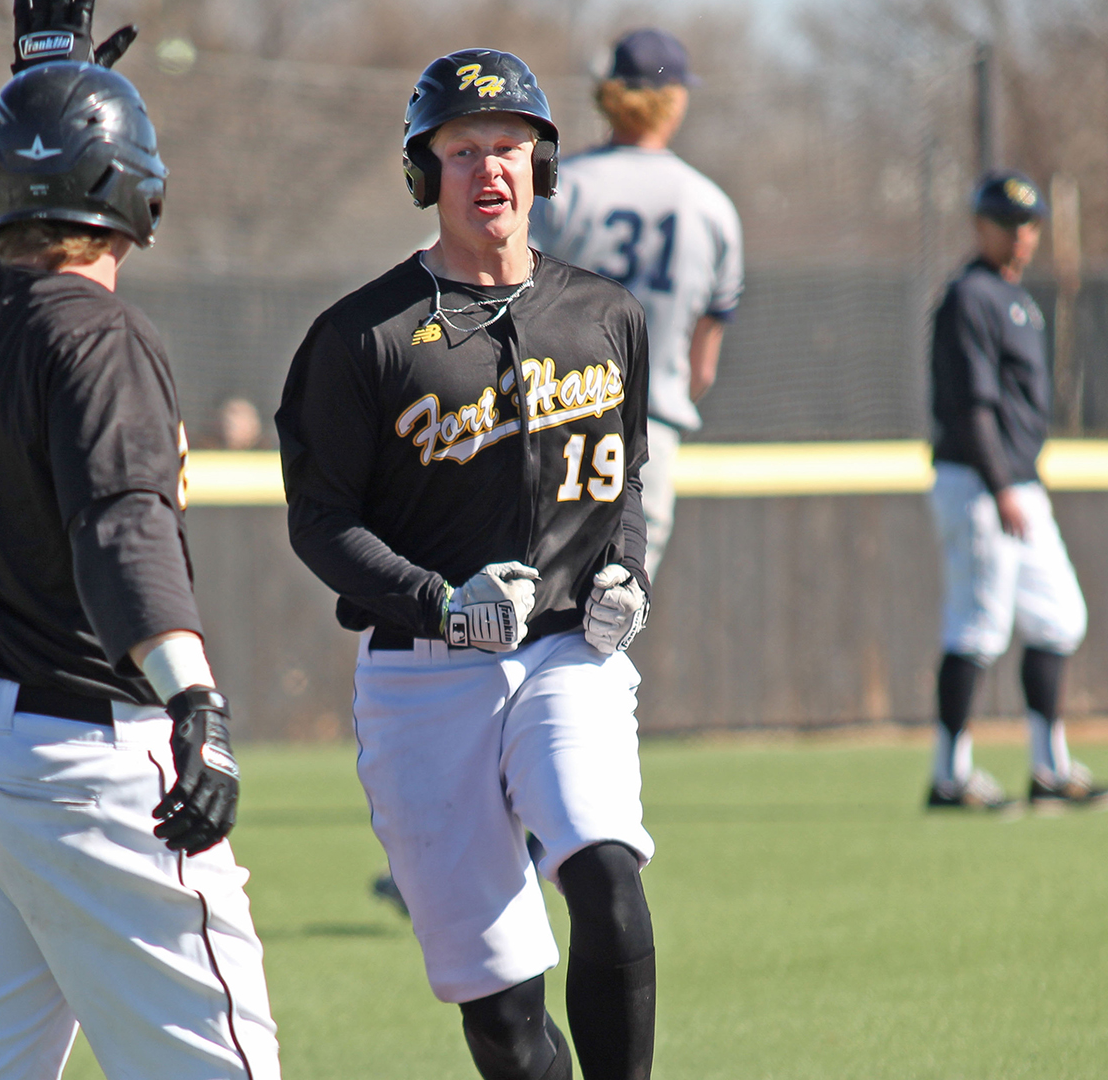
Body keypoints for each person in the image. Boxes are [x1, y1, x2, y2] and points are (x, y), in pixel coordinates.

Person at [0, 5, 279, 1077]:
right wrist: (195, 698)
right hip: (90, 767)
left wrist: (41, 73)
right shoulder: (95, 331)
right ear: (134, 191)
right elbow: (122, 531)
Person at [276, 48, 657, 1080]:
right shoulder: (361, 337)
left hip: (569, 658)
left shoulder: (608, 316)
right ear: (422, 174)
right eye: (463, 150)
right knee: (502, 1013)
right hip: (420, 678)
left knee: (606, 864)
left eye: (512, 148)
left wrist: (626, 571)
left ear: (543, 168)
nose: (491, 169)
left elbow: (623, 480)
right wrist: (441, 605)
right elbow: (319, 522)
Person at [924, 170, 1108, 813]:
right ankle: (949, 777)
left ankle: (1049, 769)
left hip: (1015, 484)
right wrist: (1003, 485)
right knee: (977, 625)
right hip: (984, 482)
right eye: (1009, 224)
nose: (1023, 235)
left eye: (1030, 223)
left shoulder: (1014, 297)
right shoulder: (970, 297)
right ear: (982, 226)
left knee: (1059, 617)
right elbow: (975, 406)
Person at [531, 27, 743, 577]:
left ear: (610, 95)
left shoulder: (561, 188)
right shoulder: (712, 206)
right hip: (651, 428)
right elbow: (703, 366)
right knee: (618, 607)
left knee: (534, 603)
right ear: (672, 102)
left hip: (553, 419)